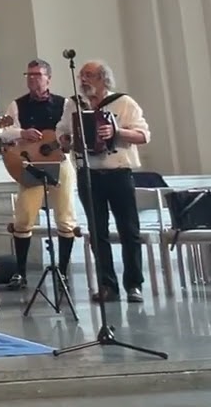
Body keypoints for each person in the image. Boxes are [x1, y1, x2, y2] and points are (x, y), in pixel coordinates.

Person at [57, 60, 150, 303]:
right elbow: (62, 131)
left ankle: (134, 285)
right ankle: (107, 285)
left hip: (119, 172)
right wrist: (65, 139)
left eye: (89, 75)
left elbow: (143, 135)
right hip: (89, 174)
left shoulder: (123, 102)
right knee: (98, 232)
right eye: (81, 76)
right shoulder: (73, 104)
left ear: (103, 78)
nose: (83, 80)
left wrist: (116, 131)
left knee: (129, 230)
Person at [0, 59, 76, 289]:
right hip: (30, 163)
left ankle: (62, 271)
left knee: (65, 217)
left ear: (48, 78)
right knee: (24, 216)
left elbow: (71, 131)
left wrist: (65, 140)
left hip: (60, 163)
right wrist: (22, 132)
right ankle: (20, 273)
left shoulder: (65, 103)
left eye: (37, 75)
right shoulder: (17, 104)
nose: (32, 78)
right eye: (29, 74)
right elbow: (3, 133)